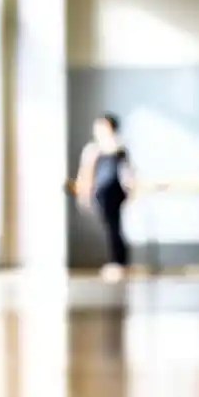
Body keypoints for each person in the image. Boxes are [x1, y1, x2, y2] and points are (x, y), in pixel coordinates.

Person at [75, 112, 135, 282]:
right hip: (102, 192)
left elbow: (127, 173)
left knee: (114, 227)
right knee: (111, 226)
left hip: (116, 192)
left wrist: (131, 191)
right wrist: (84, 193)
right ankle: (117, 261)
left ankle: (118, 262)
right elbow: (86, 173)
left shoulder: (120, 149)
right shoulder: (93, 150)